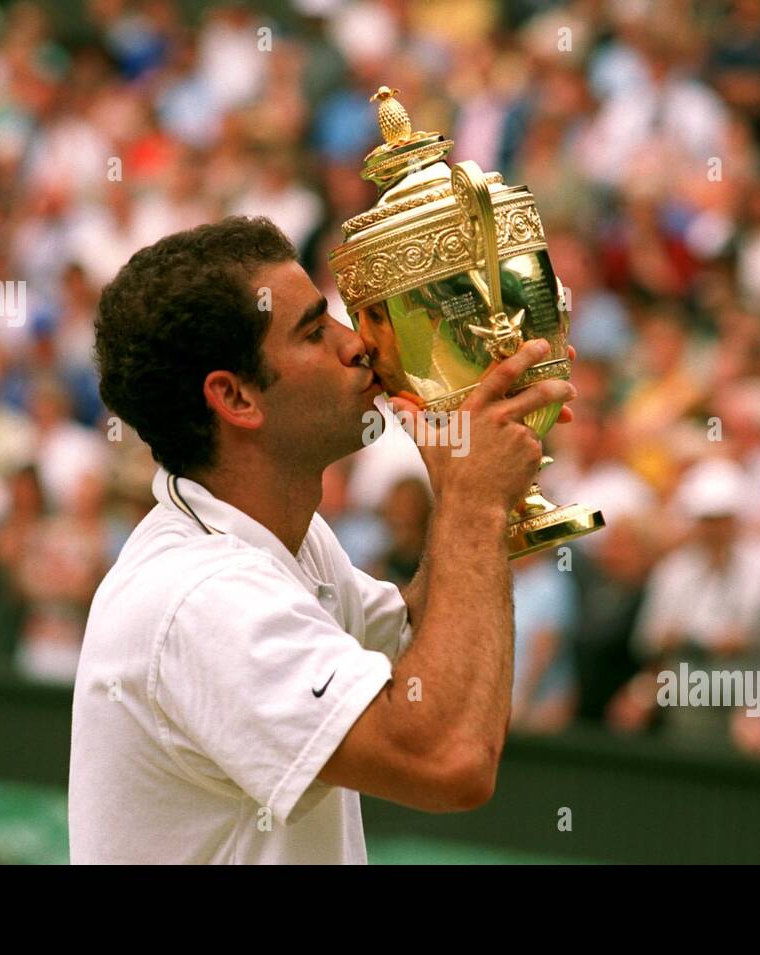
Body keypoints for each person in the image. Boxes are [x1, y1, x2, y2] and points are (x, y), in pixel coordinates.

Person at [68, 216, 578, 863]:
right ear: (234, 397)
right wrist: (472, 504)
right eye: (315, 330)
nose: (356, 343)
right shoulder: (200, 597)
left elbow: (432, 652)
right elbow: (449, 756)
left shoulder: (282, 538)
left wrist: (470, 455)